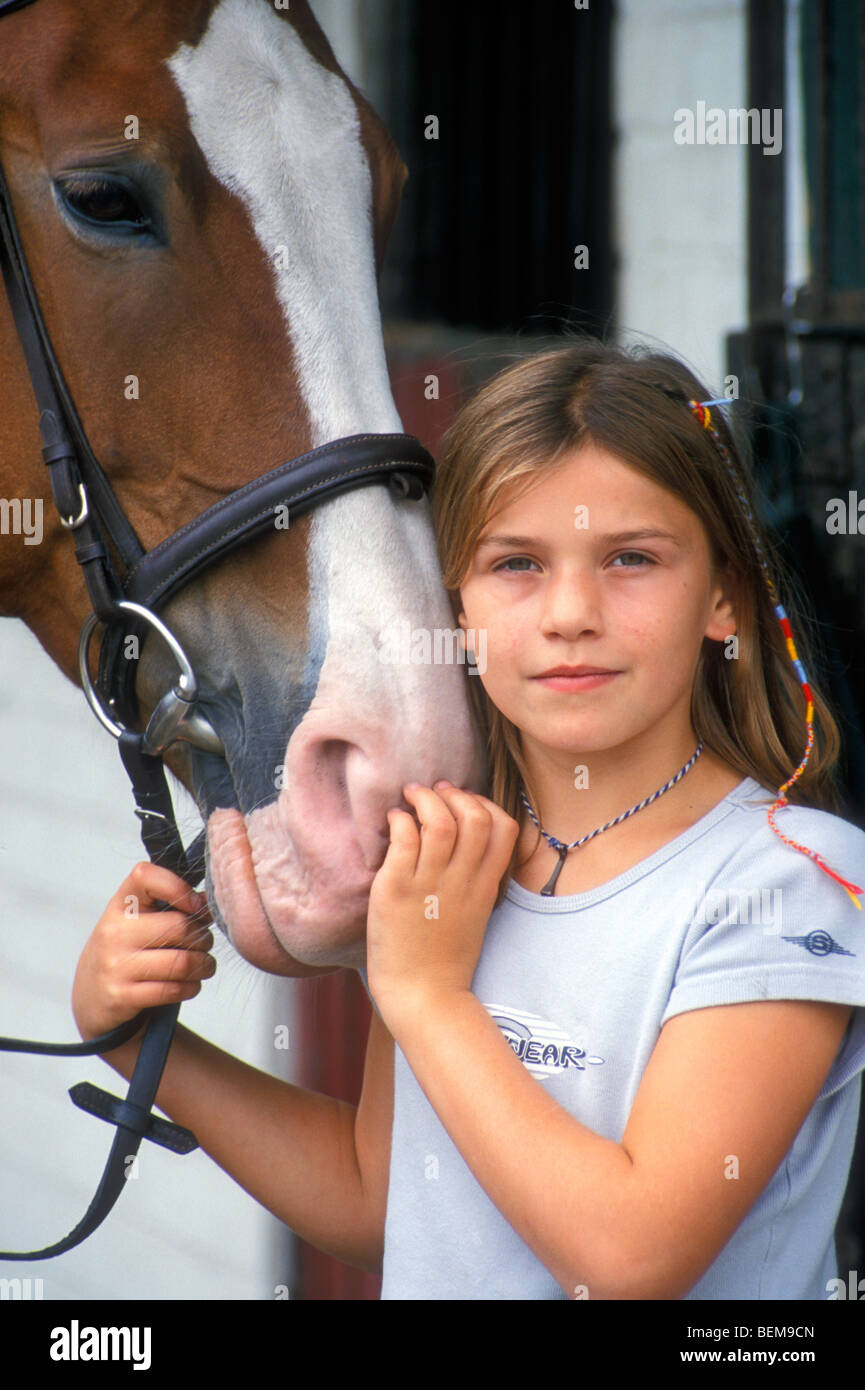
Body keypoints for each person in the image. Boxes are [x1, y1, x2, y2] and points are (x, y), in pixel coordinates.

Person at [73, 337, 865, 1300]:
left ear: (723, 599)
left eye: (630, 558)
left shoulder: (789, 881)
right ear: (455, 603)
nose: (571, 611)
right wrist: (136, 1038)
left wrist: (429, 997)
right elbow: (381, 1198)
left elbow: (631, 1257)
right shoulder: (451, 859)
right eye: (516, 564)